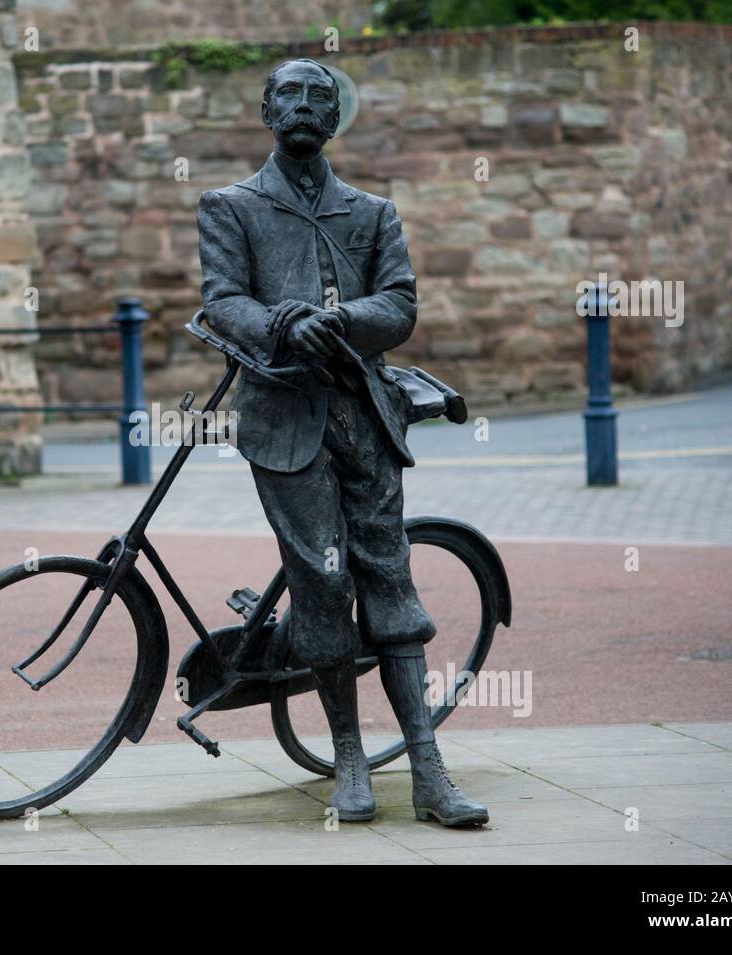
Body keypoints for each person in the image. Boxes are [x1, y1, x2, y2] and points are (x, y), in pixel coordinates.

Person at [196, 57, 488, 826]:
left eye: (317, 97)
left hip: (364, 417)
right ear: (266, 110)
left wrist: (348, 321)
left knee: (390, 580)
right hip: (285, 424)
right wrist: (286, 321)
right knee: (322, 585)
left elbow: (399, 303)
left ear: (333, 121)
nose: (301, 105)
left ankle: (428, 767)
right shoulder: (231, 206)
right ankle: (349, 756)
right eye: (287, 94)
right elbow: (223, 300)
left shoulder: (372, 211)